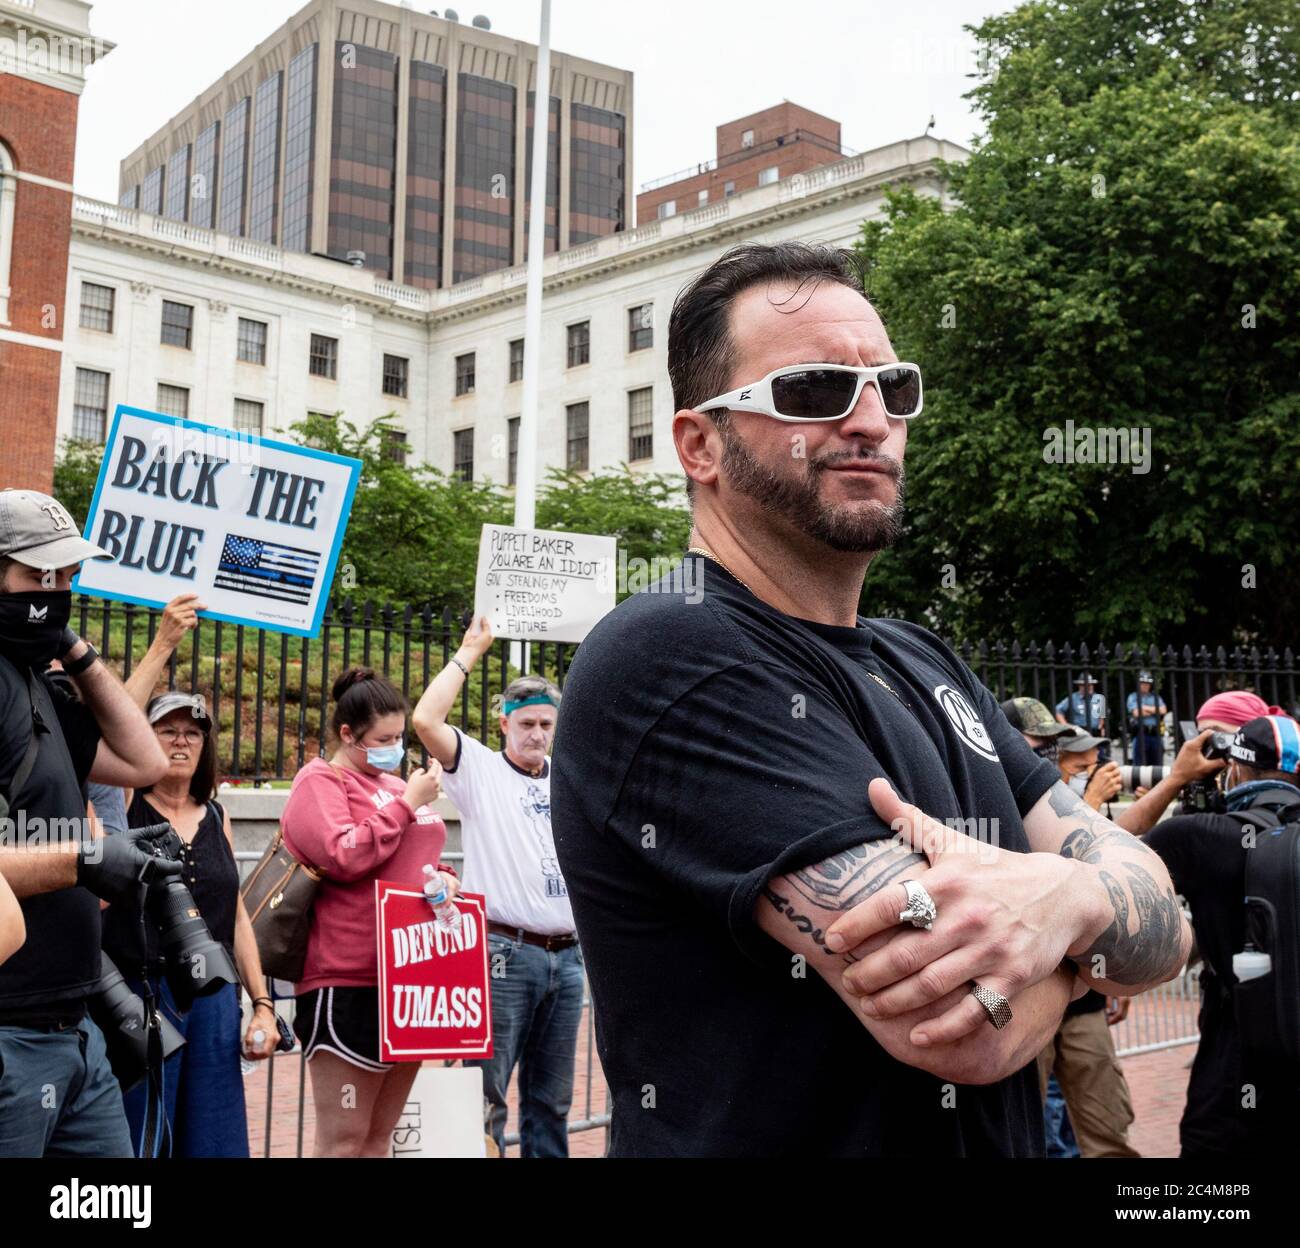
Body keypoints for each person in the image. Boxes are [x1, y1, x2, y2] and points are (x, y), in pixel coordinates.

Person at [550, 242, 1191, 1157]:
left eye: (892, 389)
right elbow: (970, 1026)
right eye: (813, 391)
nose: (869, 421)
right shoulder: (672, 650)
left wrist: (1059, 900)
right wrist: (1094, 935)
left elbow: (1171, 930)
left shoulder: (923, 659)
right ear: (700, 445)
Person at [0, 488, 177, 1157]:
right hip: (9, 1036)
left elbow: (144, 759)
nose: (57, 589)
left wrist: (72, 648)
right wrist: (83, 858)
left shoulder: (40, 685)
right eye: (39, 575)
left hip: (75, 1031)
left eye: (67, 576)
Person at [100, 591, 276, 1156]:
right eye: (166, 729)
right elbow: (111, 725)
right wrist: (163, 644)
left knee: (215, 1143)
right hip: (140, 997)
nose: (180, 739)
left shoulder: (216, 815)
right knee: (141, 1142)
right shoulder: (122, 800)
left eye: (192, 732)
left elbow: (236, 917)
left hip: (212, 1003)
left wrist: (264, 1002)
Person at [412, 620, 582, 1159]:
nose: (537, 734)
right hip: (504, 953)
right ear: (504, 724)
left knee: (551, 1102)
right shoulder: (480, 769)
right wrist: (468, 652)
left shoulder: (569, 777)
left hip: (569, 956)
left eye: (547, 724)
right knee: (485, 1098)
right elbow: (424, 719)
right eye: (526, 722)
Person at [281, 667, 456, 1157]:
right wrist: (407, 804)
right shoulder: (321, 779)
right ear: (346, 734)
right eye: (384, 738)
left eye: (400, 737)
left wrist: (447, 878)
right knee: (344, 1140)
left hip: (411, 974)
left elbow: (421, 855)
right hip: (348, 977)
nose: (395, 747)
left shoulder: (398, 785)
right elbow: (342, 854)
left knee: (381, 1137)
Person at [1145, 715, 1300, 1155]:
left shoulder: (1199, 838)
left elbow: (1099, 866)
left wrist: (1177, 781)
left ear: (1235, 769)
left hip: (1236, 1061)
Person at [1034, 722, 1141, 1157]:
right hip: (1027, 995)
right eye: (1077, 767)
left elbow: (1112, 890)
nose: (1090, 773)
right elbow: (1043, 880)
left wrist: (1116, 973)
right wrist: (1089, 803)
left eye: (1092, 766)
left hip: (1084, 998)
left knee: (1106, 1132)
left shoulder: (1093, 808)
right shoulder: (1008, 803)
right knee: (1018, 1130)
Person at [1056, 673, 1109, 759]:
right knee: (1082, 758)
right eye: (1088, 685)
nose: (1090, 686)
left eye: (1091, 684)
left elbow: (1102, 715)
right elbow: (1058, 710)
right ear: (1080, 686)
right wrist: (1066, 726)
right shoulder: (1073, 698)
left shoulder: (1098, 698)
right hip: (1080, 733)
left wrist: (1101, 726)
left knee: (1099, 758)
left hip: (1095, 733)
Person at [1126, 671, 1168, 766]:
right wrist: (1154, 710)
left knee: (1157, 765)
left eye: (1147, 684)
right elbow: (1137, 713)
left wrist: (1143, 707)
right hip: (1141, 734)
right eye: (1143, 683)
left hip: (1155, 735)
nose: (1145, 686)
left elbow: (1163, 710)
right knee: (1140, 766)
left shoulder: (1156, 697)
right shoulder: (1133, 697)